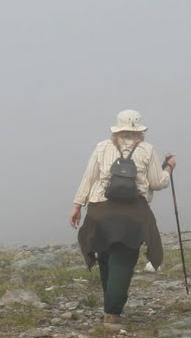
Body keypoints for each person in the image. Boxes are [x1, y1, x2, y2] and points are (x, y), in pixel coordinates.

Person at [69, 109, 177, 324]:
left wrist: (77, 206)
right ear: (139, 131)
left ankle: (110, 304)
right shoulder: (147, 150)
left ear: (118, 129)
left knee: (105, 255)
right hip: (132, 213)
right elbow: (157, 182)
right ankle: (112, 311)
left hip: (100, 210)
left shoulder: (102, 147)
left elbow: (89, 177)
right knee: (124, 258)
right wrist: (170, 168)